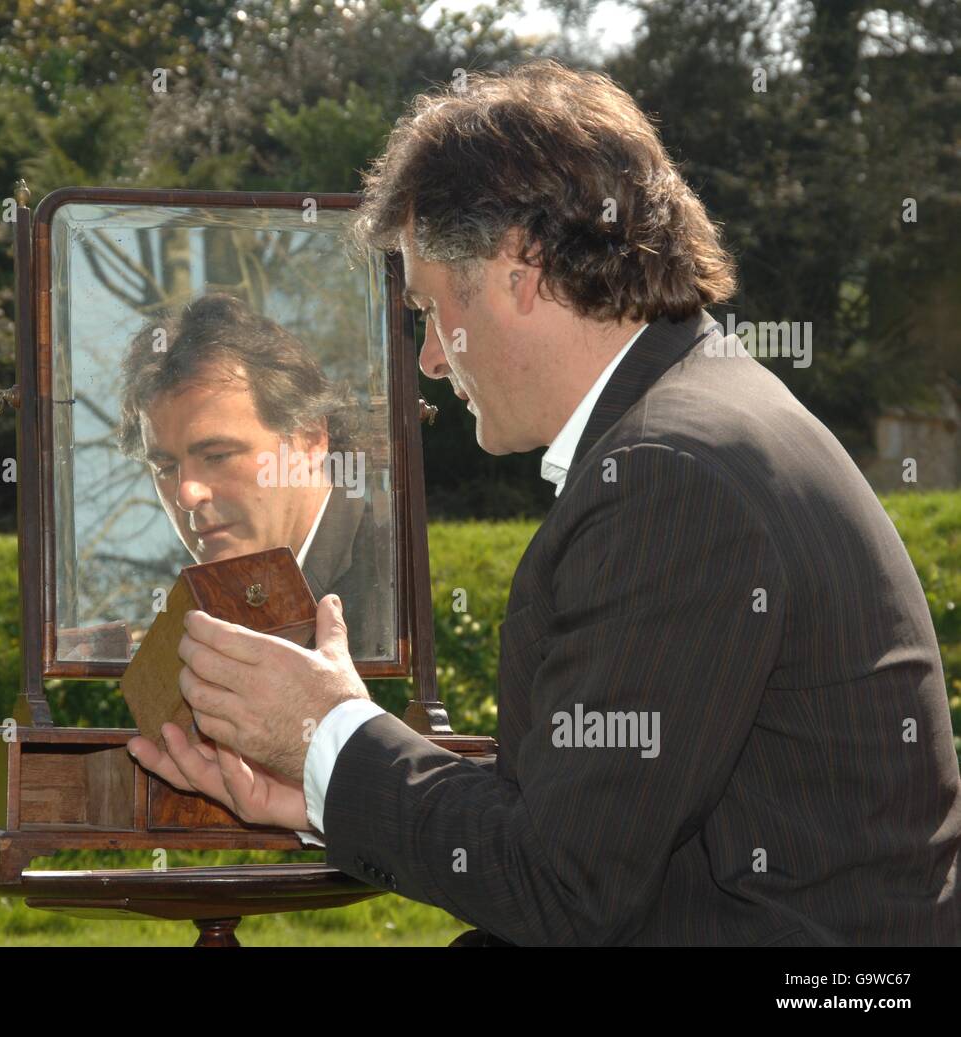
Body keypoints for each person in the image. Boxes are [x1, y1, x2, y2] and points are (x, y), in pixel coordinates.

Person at [125, 59, 961, 945]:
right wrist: (323, 782)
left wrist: (327, 730)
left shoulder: (671, 474)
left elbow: (561, 888)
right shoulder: (698, 423)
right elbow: (584, 834)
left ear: (519, 271)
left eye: (431, 309)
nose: (430, 362)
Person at [117, 292, 392, 659]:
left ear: (310, 438)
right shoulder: (202, 612)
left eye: (217, 456)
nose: (186, 494)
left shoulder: (396, 580)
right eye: (165, 468)